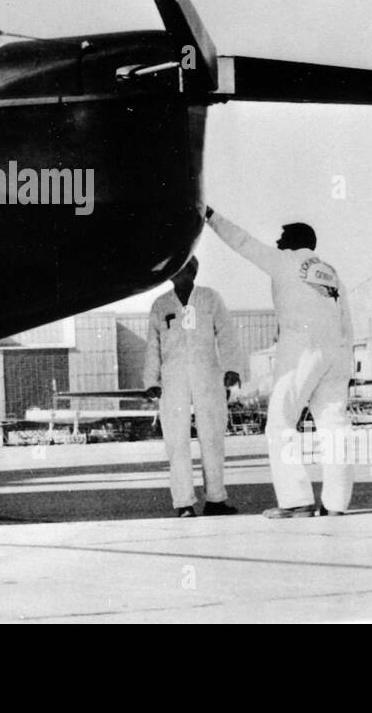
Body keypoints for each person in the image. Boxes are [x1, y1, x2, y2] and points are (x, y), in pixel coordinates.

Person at [205, 206, 355, 518]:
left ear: (295, 242)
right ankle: (336, 504)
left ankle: (296, 500)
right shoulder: (331, 273)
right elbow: (347, 321)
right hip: (337, 351)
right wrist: (347, 363)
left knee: (281, 422)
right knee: (335, 426)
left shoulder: (283, 261)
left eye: (282, 237)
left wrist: (210, 216)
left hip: (300, 348)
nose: (276, 242)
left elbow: (242, 241)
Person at [143, 256, 243, 517]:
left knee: (212, 437)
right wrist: (151, 380)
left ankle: (216, 500)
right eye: (173, 270)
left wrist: (232, 367)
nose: (176, 273)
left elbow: (227, 333)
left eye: (182, 268)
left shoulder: (210, 298)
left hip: (208, 374)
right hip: (173, 379)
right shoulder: (161, 304)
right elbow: (153, 344)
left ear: (193, 271)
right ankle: (184, 502)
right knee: (176, 441)